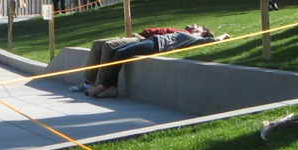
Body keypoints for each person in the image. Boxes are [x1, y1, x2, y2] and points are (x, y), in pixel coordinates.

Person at [86, 26, 229, 98]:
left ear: (203, 31)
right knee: (113, 52)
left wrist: (224, 35)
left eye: (198, 26)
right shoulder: (185, 33)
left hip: (157, 44)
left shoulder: (196, 38)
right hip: (152, 40)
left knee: (120, 53)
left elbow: (214, 40)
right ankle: (109, 86)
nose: (194, 25)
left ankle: (109, 87)